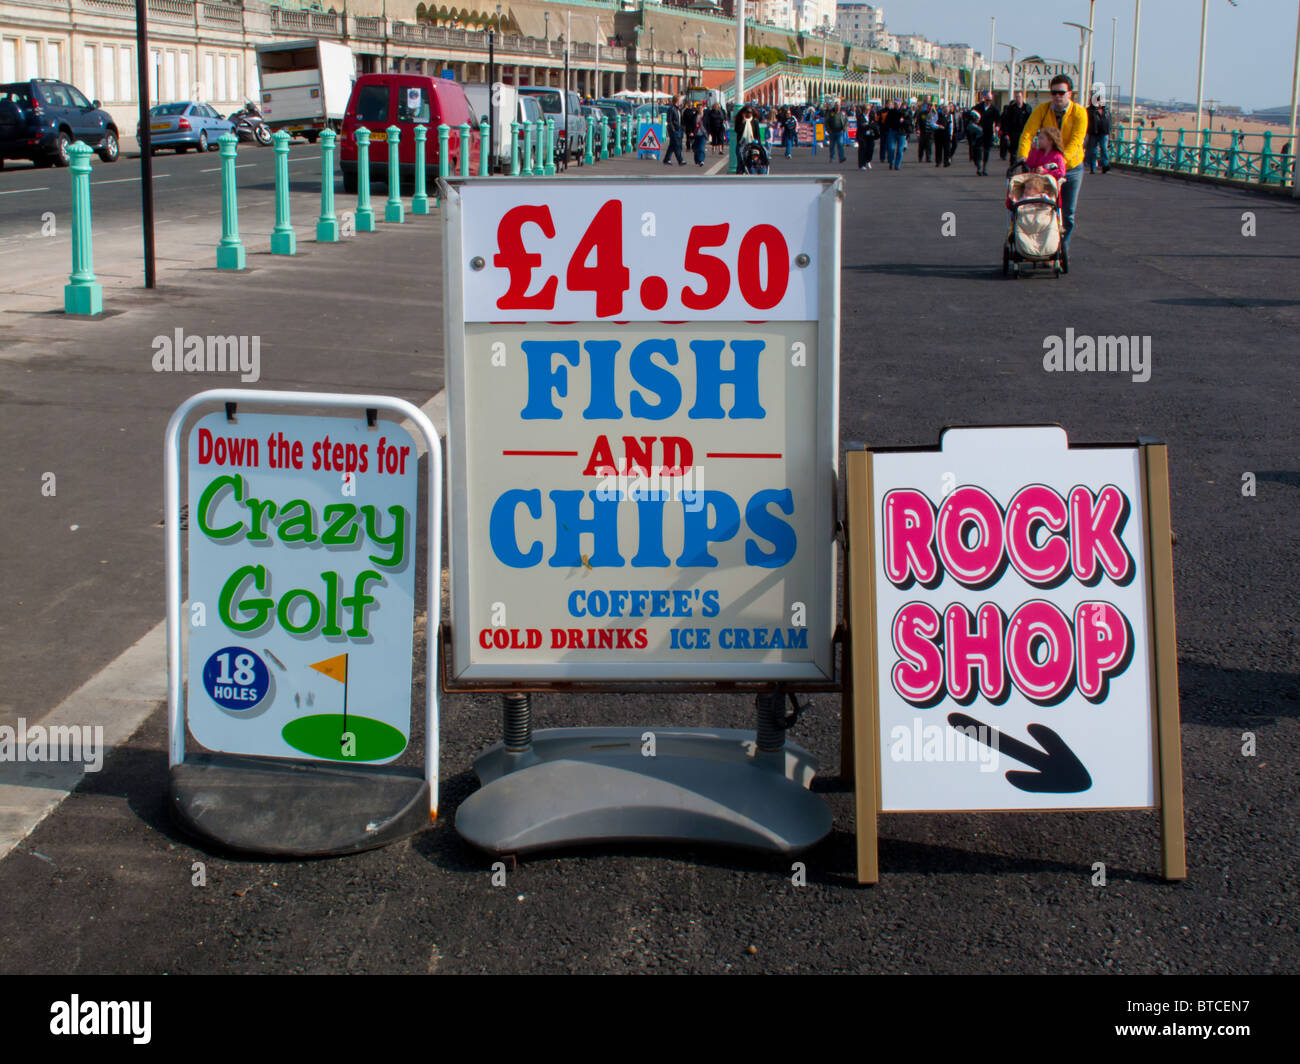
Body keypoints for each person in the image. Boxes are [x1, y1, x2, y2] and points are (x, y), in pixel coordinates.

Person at [1017, 73, 1088, 250]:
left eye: (1061, 93)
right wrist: (1023, 156)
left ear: (1070, 93)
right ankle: (1045, 248)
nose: (1057, 96)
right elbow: (1028, 132)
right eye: (1054, 92)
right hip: (1045, 168)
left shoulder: (1080, 113)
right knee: (1042, 208)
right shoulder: (1042, 109)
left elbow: (1076, 141)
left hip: (1071, 168)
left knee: (1068, 213)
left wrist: (1059, 161)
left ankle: (1062, 249)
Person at [972, 90, 999, 175]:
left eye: (990, 100)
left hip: (988, 131)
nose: (988, 102)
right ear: (984, 99)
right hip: (979, 131)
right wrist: (975, 121)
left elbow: (998, 119)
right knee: (978, 149)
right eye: (987, 100)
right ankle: (979, 166)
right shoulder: (978, 107)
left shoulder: (994, 109)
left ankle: (984, 168)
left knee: (987, 150)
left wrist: (997, 126)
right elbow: (971, 114)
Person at [1085, 89, 1112, 174]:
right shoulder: (1090, 110)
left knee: (1104, 149)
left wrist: (1109, 132)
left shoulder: (1106, 110)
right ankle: (1093, 168)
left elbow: (1109, 121)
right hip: (1093, 133)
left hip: (1104, 133)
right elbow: (1087, 122)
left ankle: (1105, 166)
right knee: (1093, 151)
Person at [1000, 90, 1030, 161]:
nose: (1018, 99)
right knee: (1013, 152)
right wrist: (1006, 133)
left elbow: (1030, 121)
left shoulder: (1027, 108)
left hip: (1023, 133)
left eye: (1019, 97)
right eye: (1016, 97)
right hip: (1013, 133)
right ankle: (1013, 169)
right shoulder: (1011, 109)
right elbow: (1006, 121)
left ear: (1022, 97)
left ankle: (1025, 169)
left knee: (1024, 151)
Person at [734, 103, 759, 173]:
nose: (749, 114)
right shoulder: (740, 121)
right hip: (741, 144)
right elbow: (737, 130)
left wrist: (758, 144)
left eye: (750, 112)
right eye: (747, 112)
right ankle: (739, 175)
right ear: (743, 113)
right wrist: (742, 122)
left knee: (751, 162)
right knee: (740, 162)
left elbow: (757, 134)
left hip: (752, 144)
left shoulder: (754, 121)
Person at [662, 94, 684, 166]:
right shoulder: (671, 109)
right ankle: (680, 160)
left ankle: (667, 159)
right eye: (680, 100)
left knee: (672, 145)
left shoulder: (678, 109)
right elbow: (670, 121)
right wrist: (673, 129)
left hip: (678, 129)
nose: (681, 101)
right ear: (677, 101)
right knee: (677, 145)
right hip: (674, 130)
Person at [856, 104, 879, 169]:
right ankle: (862, 164)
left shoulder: (871, 116)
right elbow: (861, 125)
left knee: (871, 149)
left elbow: (875, 124)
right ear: (864, 110)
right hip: (862, 135)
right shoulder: (860, 117)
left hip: (870, 135)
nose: (868, 111)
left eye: (869, 109)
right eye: (867, 109)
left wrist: (869, 125)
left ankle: (868, 160)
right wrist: (869, 125)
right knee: (862, 149)